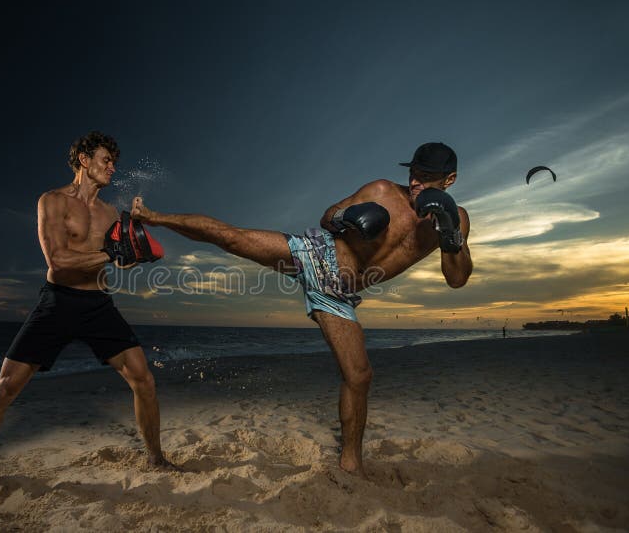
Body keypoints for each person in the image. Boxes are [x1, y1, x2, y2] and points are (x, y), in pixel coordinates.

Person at [130, 142, 473, 477]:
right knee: (232, 237)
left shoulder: (455, 219)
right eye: (413, 173)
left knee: (359, 376)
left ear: (449, 180)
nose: (415, 182)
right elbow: (327, 217)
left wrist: (450, 234)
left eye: (425, 176)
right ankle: (153, 216)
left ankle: (351, 466)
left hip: (337, 295)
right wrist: (346, 218)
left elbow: (457, 279)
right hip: (313, 254)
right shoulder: (382, 190)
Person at [0, 131, 172, 493]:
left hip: (98, 304)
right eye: (106, 160)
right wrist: (112, 253)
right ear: (84, 160)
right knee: (5, 388)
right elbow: (58, 259)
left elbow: (121, 261)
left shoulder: (110, 214)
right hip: (57, 303)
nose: (112, 168)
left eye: (114, 162)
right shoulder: (52, 201)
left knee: (143, 379)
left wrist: (138, 250)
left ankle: (156, 458)